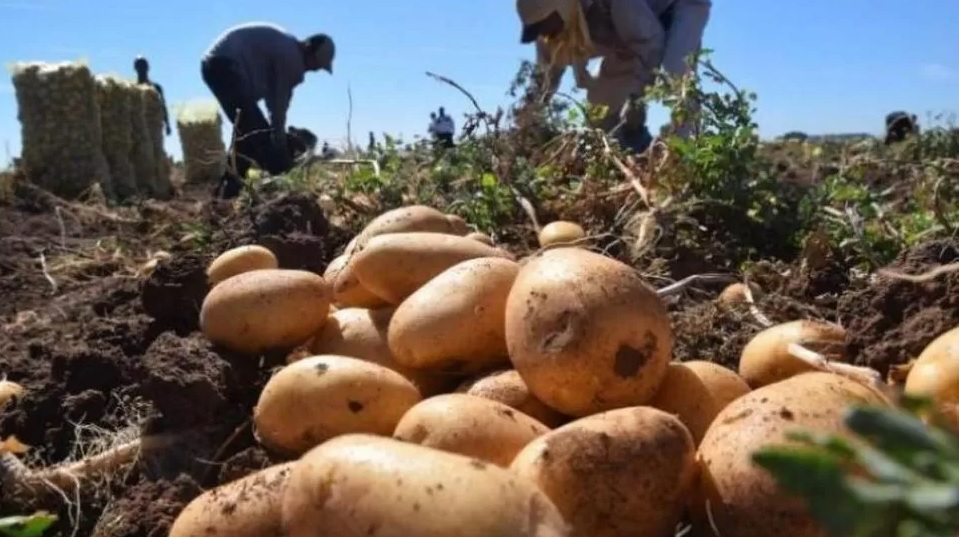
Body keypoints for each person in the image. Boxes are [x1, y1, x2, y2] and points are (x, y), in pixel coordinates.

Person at [515, 0, 711, 154]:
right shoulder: (550, 32)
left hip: (675, 9)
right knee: (599, 105)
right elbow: (547, 76)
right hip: (629, 37)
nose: (545, 32)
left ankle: (682, 159)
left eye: (546, 24)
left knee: (676, 75)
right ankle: (628, 151)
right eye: (539, 28)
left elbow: (650, 42)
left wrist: (636, 102)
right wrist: (530, 119)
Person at [201, 22, 335, 198]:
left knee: (248, 136)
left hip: (218, 63)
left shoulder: (287, 49)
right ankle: (274, 195)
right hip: (224, 66)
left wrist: (276, 139)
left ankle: (223, 196)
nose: (313, 70)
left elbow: (274, 105)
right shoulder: (292, 59)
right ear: (308, 49)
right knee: (258, 136)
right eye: (315, 65)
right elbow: (278, 111)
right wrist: (281, 157)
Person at [133, 56, 171, 136]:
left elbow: (163, 106)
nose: (142, 69)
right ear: (135, 68)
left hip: (154, 125)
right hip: (138, 127)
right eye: (139, 66)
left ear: (148, 68)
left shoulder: (156, 87)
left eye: (144, 66)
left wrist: (167, 124)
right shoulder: (133, 88)